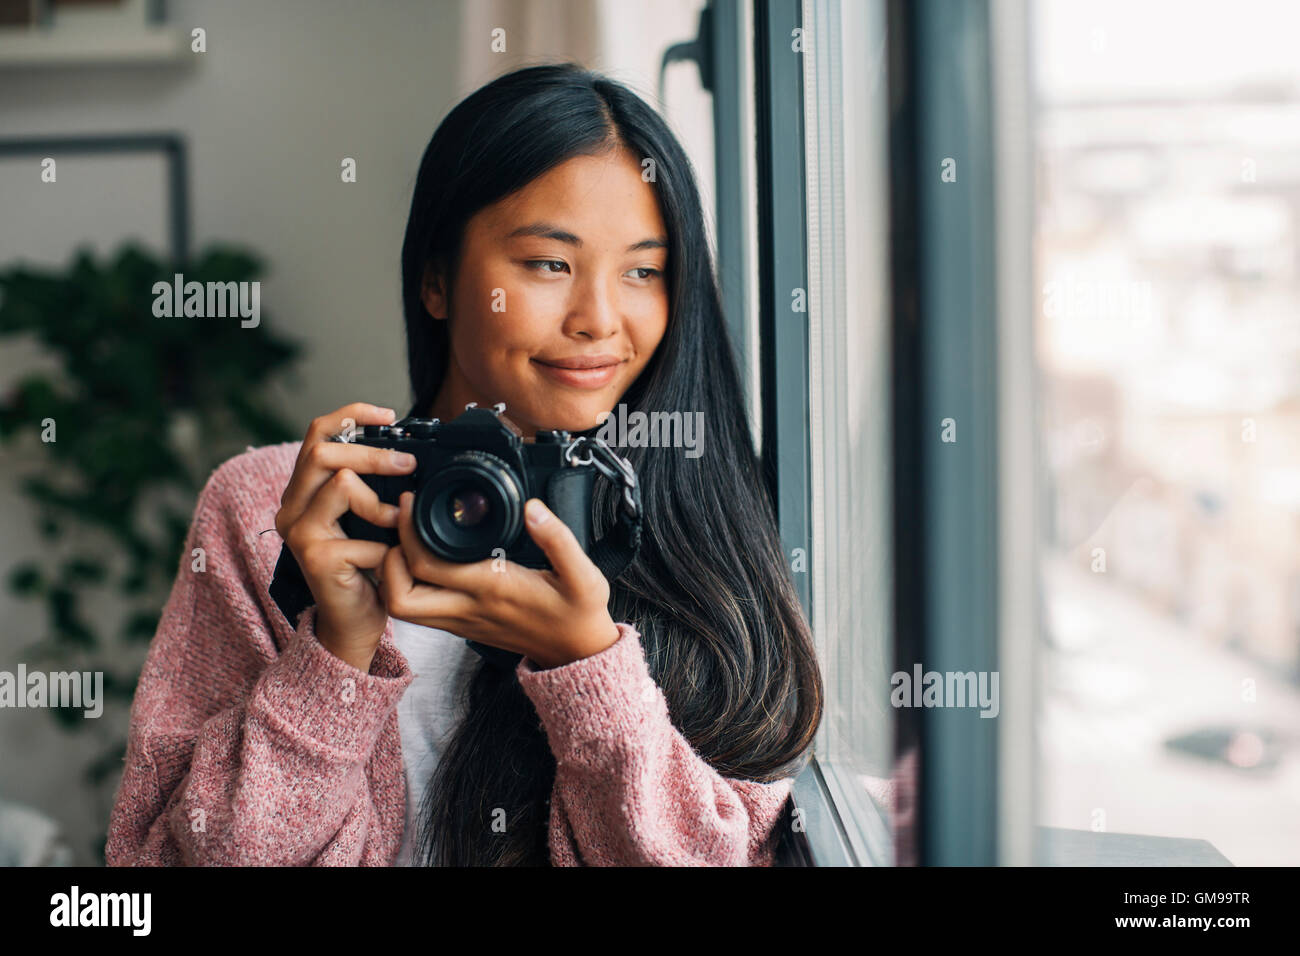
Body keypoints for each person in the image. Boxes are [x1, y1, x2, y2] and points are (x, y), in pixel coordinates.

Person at [105, 62, 823, 867]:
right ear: (437, 279)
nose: (598, 319)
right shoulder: (275, 510)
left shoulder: (711, 534)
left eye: (644, 271)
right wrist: (332, 652)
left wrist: (588, 668)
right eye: (550, 264)